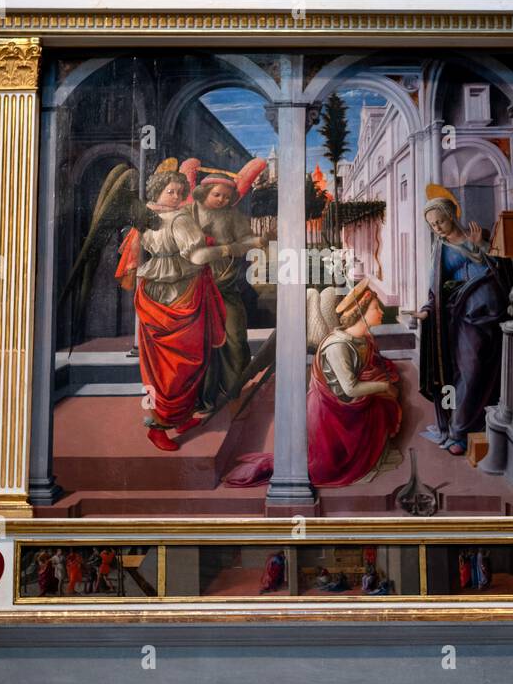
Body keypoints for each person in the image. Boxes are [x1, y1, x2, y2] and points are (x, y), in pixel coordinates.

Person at [225, 280, 402, 488]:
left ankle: (372, 448)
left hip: (349, 404)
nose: (381, 311)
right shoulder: (338, 347)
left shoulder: (364, 339)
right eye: (375, 308)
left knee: (381, 407)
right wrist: (383, 386)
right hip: (332, 415)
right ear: (361, 313)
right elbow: (350, 389)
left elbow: (367, 366)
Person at [118, 168, 234, 452]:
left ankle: (179, 418)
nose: (176, 196)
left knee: (167, 365)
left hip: (153, 290)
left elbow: (136, 251)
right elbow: (195, 254)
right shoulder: (181, 219)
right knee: (183, 363)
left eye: (180, 193)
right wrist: (228, 249)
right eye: (171, 191)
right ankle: (159, 426)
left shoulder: (144, 215)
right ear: (158, 190)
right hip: (180, 292)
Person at [407, 190, 513, 456]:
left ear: (452, 215)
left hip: (495, 316)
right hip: (465, 318)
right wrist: (426, 310)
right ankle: (458, 432)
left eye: (440, 221)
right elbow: (436, 288)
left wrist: (479, 247)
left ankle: (483, 426)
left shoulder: (480, 235)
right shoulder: (441, 250)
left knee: (493, 374)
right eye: (432, 224)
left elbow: (503, 270)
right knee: (469, 371)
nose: (437, 227)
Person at [185, 164, 268, 420]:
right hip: (194, 289)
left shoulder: (233, 216)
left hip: (226, 288)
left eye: (226, 197)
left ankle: (236, 389)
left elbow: (248, 243)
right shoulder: (189, 212)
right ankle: (201, 399)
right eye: (216, 195)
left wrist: (231, 248)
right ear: (203, 193)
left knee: (234, 338)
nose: (222, 200)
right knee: (200, 345)